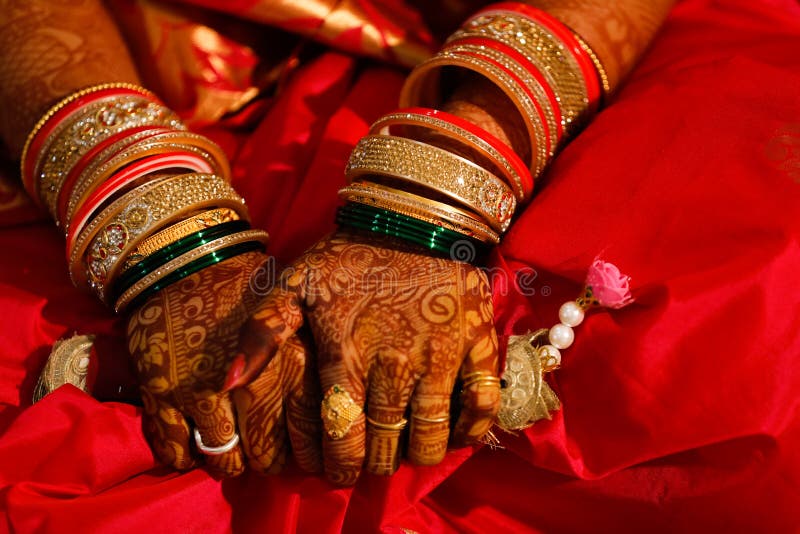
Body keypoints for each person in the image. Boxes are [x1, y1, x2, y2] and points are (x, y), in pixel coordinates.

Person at [0, 0, 798, 531]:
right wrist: (168, 244)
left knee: (723, 342)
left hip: (540, 39)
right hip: (128, 72)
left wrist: (423, 215)